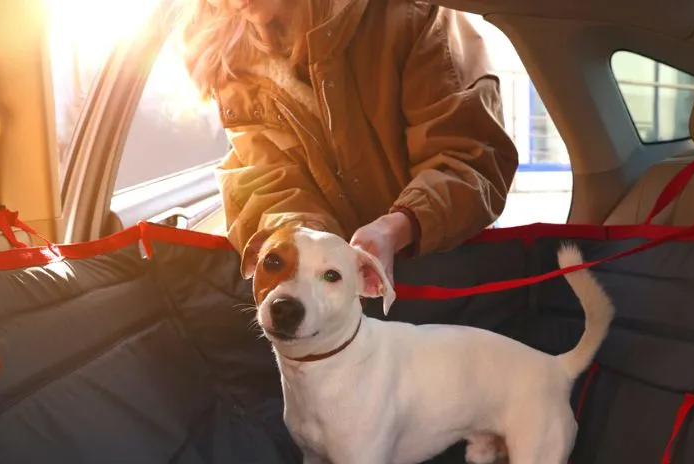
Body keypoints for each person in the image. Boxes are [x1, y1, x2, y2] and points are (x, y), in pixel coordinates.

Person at [180, 0, 519, 279]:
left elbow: (468, 157)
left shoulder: (413, 14)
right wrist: (301, 234)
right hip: (336, 299)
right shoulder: (229, 56)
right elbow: (270, 178)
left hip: (442, 273)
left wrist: (399, 227)